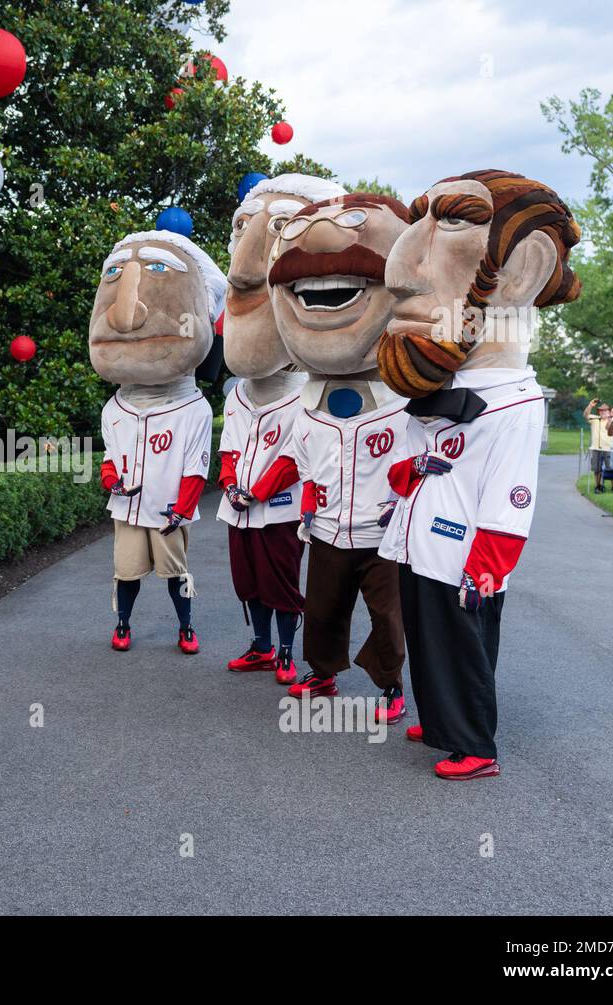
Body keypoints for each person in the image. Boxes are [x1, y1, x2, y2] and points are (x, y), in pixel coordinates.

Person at [375, 169, 581, 780]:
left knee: (464, 647)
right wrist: (413, 472)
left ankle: (476, 746)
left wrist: (487, 565)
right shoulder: (446, 385)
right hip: (421, 542)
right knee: (427, 637)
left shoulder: (516, 401)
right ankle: (439, 721)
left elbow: (512, 496)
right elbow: (408, 466)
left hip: (464, 553)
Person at [250, 191, 414, 724]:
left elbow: (422, 466)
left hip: (382, 533)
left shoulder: (404, 405)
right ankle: (322, 674)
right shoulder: (307, 404)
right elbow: (292, 458)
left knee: (387, 616)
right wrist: (259, 488)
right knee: (321, 608)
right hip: (325, 530)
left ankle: (390, 687)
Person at [218, 173, 345, 683]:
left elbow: (299, 458)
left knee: (283, 584)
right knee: (247, 584)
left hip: (279, 510)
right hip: (240, 508)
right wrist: (232, 485)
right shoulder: (239, 394)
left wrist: (259, 490)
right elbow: (228, 447)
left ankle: (289, 650)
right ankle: (260, 644)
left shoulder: (304, 395)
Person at [91, 230, 224, 655]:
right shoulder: (116, 408)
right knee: (126, 572)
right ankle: (123, 624)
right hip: (128, 507)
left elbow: (195, 467)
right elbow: (110, 456)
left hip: (169, 509)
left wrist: (183, 507)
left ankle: (186, 627)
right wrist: (111, 480)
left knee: (175, 572)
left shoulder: (194, 408)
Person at [583, 399, 613, 492]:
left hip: (608, 448)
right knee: (597, 468)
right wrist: (590, 405)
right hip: (596, 448)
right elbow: (585, 415)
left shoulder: (612, 420)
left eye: (605, 410)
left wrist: (611, 419)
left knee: (610, 468)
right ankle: (598, 485)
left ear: (609, 411)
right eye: (601, 410)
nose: (603, 412)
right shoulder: (595, 419)